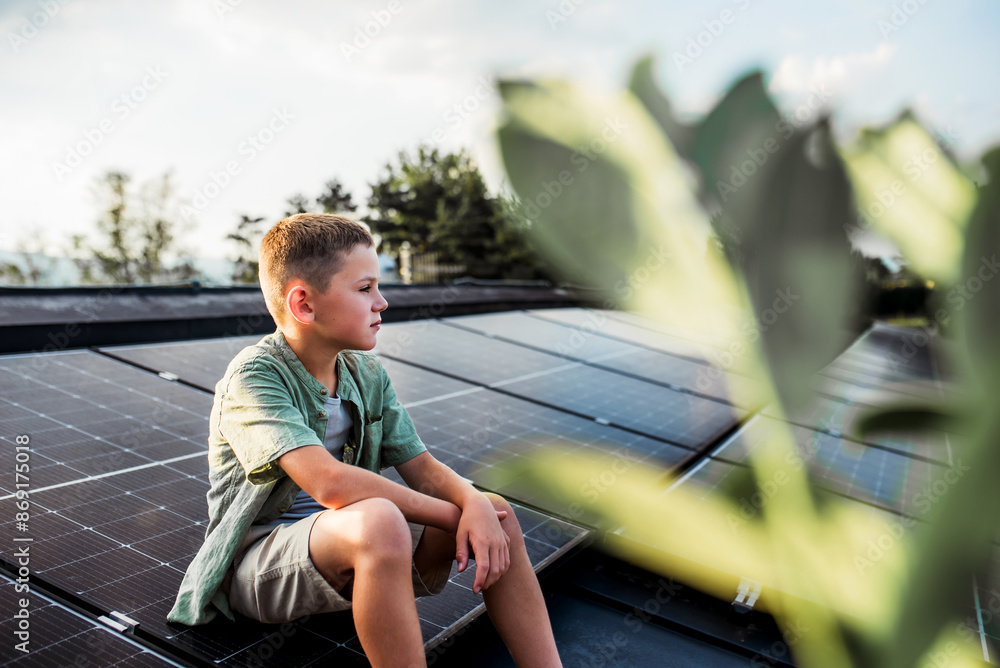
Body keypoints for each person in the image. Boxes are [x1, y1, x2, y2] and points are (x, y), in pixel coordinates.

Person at [168, 213, 562, 667]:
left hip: (349, 546)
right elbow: (330, 484)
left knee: (497, 514)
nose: (383, 302)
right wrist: (457, 516)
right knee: (381, 519)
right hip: (259, 566)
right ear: (304, 305)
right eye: (365, 288)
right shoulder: (255, 378)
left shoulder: (365, 373)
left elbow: (424, 470)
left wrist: (473, 506)